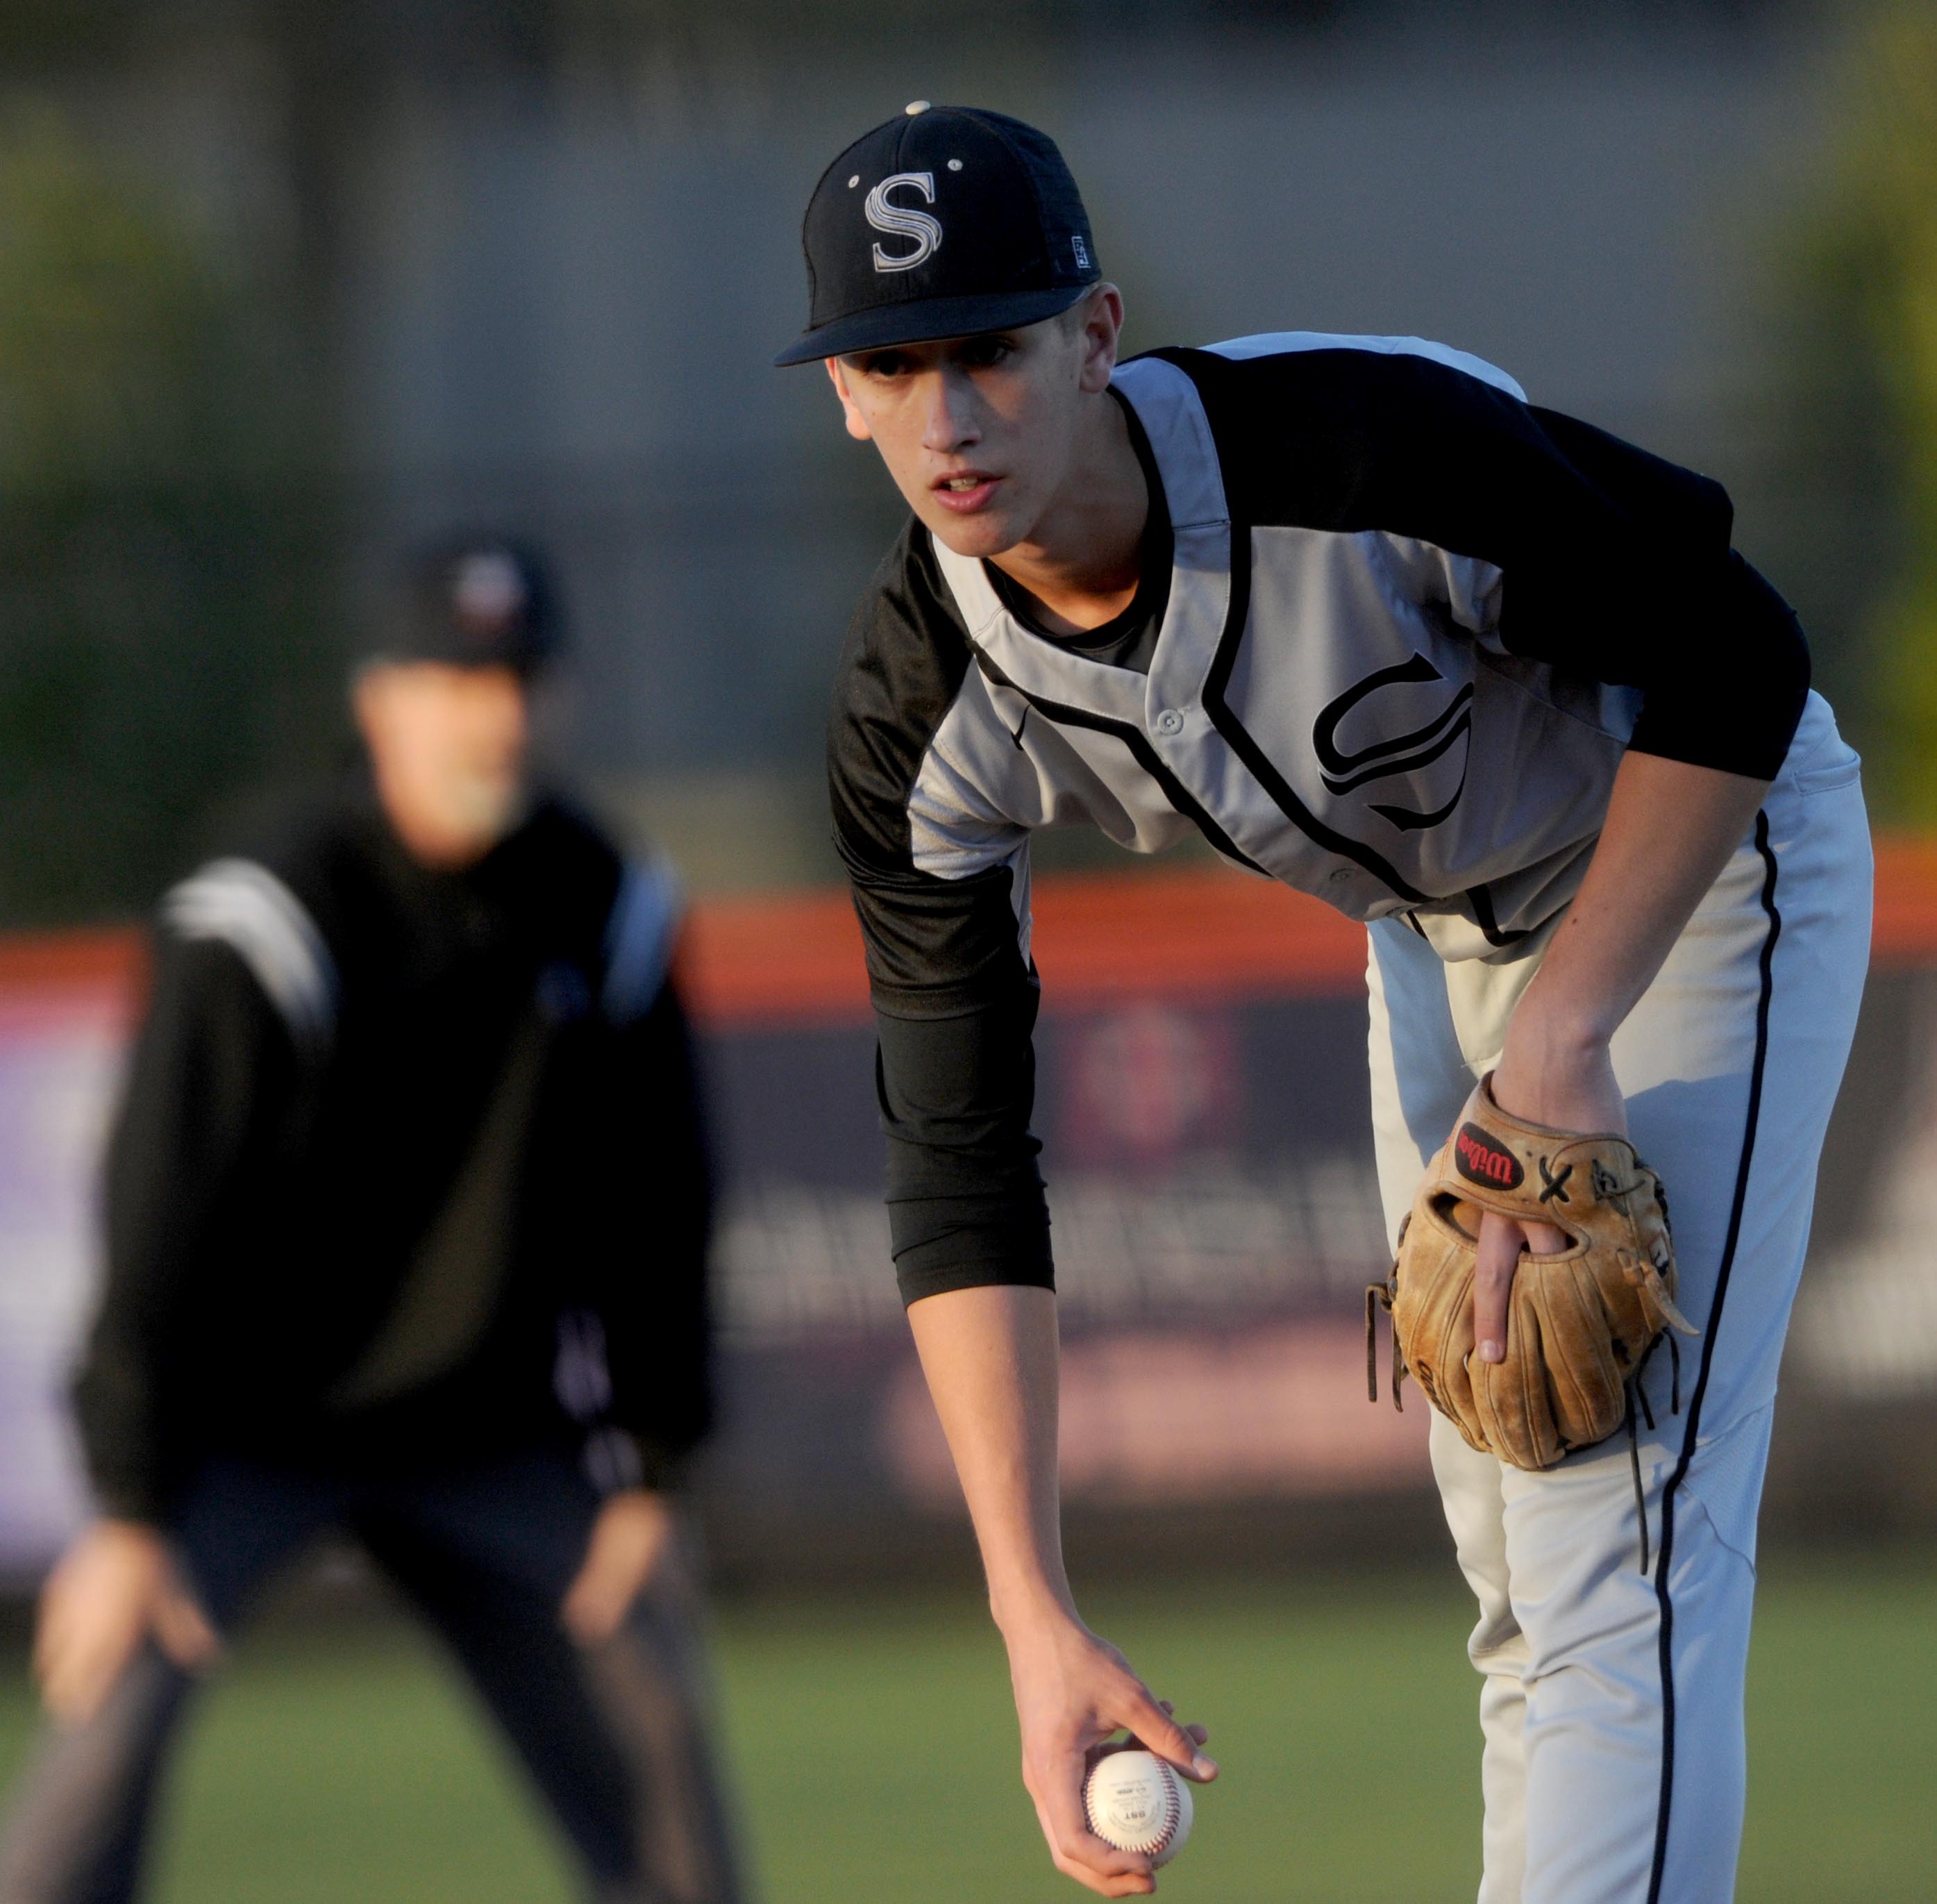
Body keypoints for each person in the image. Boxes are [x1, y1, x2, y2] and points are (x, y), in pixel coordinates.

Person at [777, 103, 1870, 1903]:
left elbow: (1734, 646)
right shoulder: (918, 710)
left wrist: (1564, 1034)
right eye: (892, 364)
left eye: (991, 350)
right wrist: (1031, 1613)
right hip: (1431, 932)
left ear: (1094, 336)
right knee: (1512, 1558)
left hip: (1685, 858)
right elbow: (958, 1160)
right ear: (842, 392)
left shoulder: (1351, 450)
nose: (947, 415)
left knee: (1615, 1528)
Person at [0, 538, 748, 1904]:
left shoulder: (605, 903)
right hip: (248, 1429)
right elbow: (157, 1221)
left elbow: (659, 1202)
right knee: (109, 1698)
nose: (496, 715)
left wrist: (655, 1470)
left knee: (653, 1716)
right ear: (381, 700)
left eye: (521, 679)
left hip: (489, 1428)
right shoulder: (266, 911)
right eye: (458, 681)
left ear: (561, 696)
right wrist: (126, 1507)